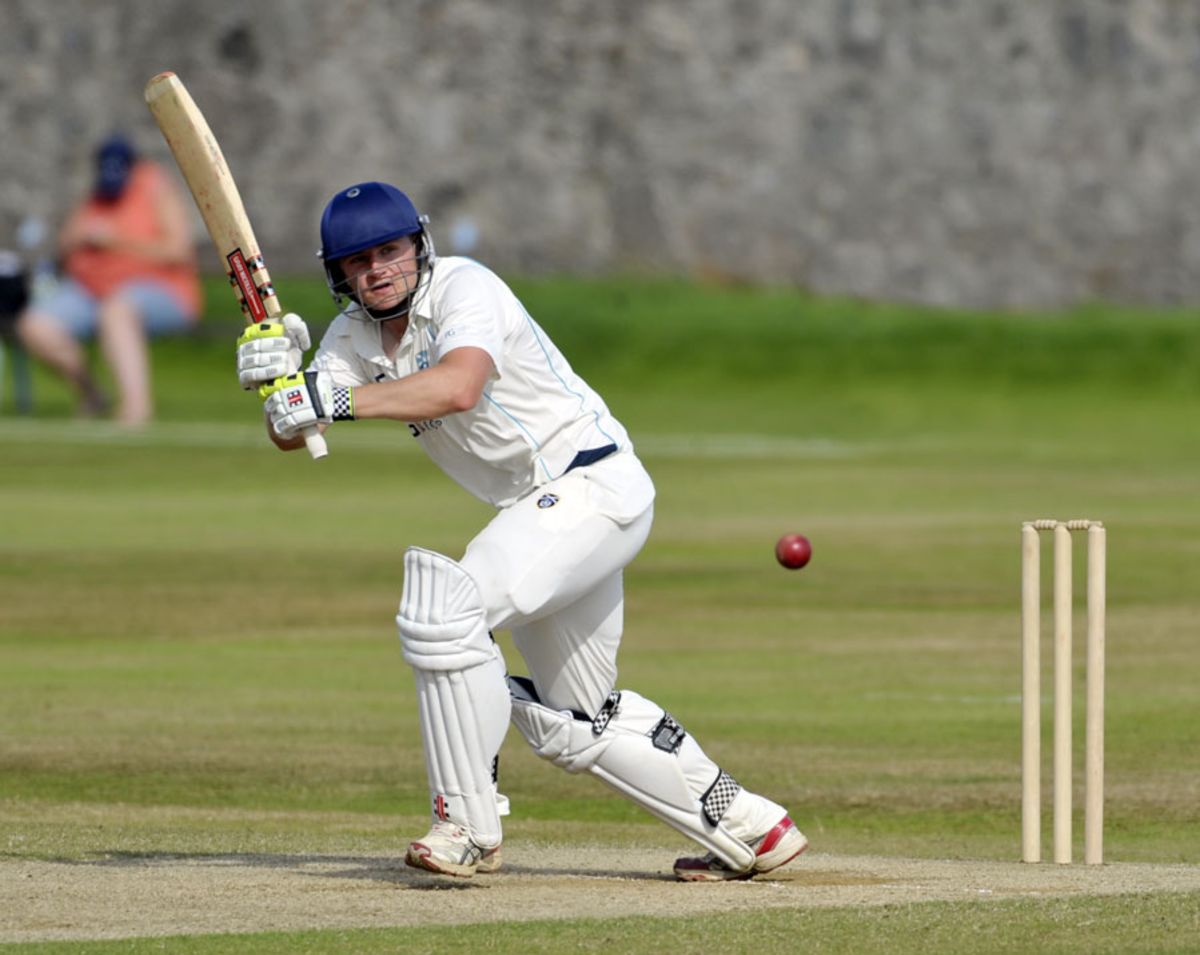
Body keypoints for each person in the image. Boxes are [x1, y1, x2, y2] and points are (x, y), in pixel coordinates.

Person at [235, 181, 808, 881]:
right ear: (339, 276)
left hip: (592, 485)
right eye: (358, 261)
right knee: (577, 723)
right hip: (547, 515)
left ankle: (466, 827)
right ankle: (752, 826)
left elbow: (458, 387)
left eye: (390, 251)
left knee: (445, 611)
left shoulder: (465, 288)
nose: (377, 269)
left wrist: (333, 397)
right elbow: (297, 432)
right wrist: (279, 388)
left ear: (418, 246)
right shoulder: (351, 337)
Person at [16, 134, 201, 425]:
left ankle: (135, 410)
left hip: (160, 291)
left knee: (117, 309)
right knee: (34, 325)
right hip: (92, 291)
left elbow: (178, 251)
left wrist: (117, 241)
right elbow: (64, 247)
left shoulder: (155, 187)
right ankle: (91, 393)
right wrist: (78, 239)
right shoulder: (96, 194)